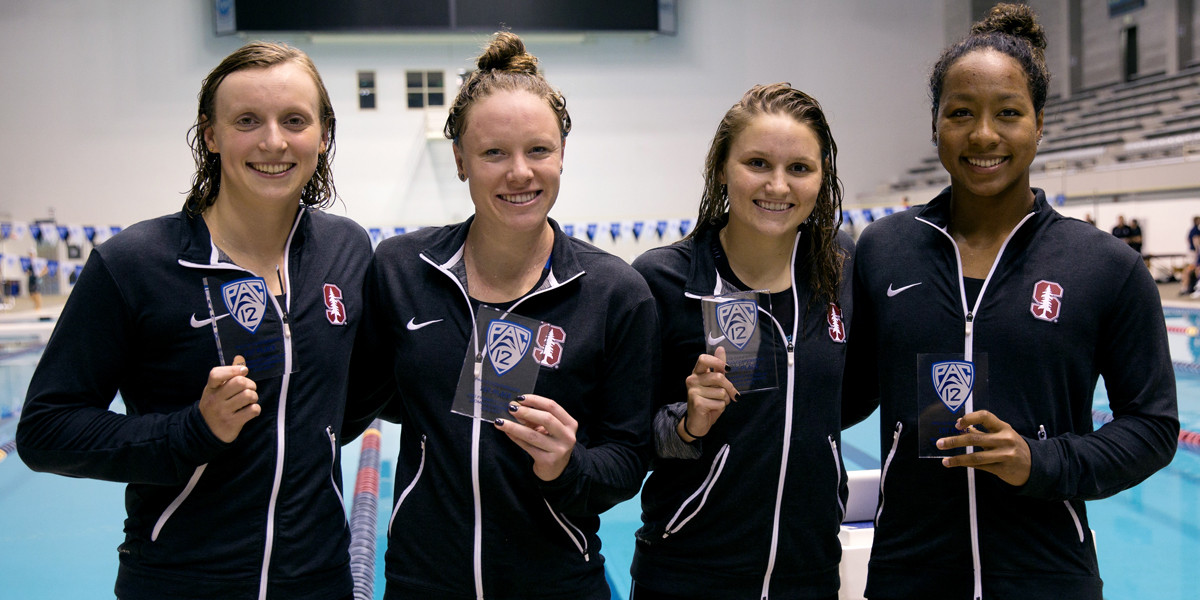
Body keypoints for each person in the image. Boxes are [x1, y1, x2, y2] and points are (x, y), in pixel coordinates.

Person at [842, 4, 1178, 599]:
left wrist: (1039, 462)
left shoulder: (1104, 266)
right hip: (909, 573)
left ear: (1039, 123)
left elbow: (1152, 427)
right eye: (960, 113)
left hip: (1046, 574)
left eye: (1008, 113)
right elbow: (850, 390)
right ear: (935, 125)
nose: (983, 135)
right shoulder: (885, 249)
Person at [17, 42, 371, 600]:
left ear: (323, 134)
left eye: (294, 120)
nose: (273, 141)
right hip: (180, 580)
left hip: (316, 579)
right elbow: (45, 431)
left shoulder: (344, 250)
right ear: (210, 135)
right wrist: (192, 431)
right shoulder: (135, 264)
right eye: (247, 121)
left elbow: (350, 398)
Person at [343, 32, 658, 600]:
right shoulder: (402, 270)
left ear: (562, 154)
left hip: (558, 586)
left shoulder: (615, 293)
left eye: (538, 150)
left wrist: (568, 465)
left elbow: (627, 459)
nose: (519, 173)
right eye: (493, 153)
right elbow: (356, 402)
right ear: (460, 160)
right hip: (423, 583)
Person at [629, 83, 854, 599]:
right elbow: (626, 435)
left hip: (809, 573)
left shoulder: (840, 269)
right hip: (688, 575)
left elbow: (852, 394)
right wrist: (686, 424)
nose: (778, 185)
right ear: (722, 168)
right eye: (757, 163)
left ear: (822, 177)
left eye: (799, 168)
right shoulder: (664, 280)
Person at [1184, 216, 1200, 296]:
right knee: (1192, 268)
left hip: (1192, 251)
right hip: (1194, 252)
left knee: (1192, 268)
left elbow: (1187, 239)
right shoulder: (1195, 230)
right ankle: (1188, 287)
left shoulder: (1192, 230)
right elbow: (1196, 242)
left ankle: (1186, 287)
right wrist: (1197, 251)